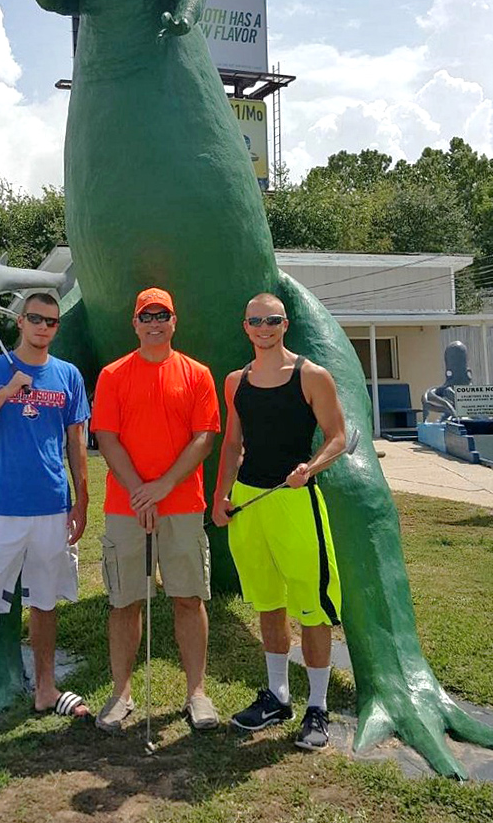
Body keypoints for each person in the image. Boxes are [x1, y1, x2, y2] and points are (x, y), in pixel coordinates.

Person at [0, 292, 91, 744]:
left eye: (52, 322)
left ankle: (45, 689)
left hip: (51, 507)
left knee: (45, 601)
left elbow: (76, 442)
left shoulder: (68, 375)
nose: (44, 327)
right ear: (20, 323)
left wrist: (81, 497)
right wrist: (7, 392)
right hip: (1, 508)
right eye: (37, 319)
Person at [212, 292, 346, 750]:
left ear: (285, 324)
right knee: (268, 604)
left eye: (272, 320)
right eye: (255, 321)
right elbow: (231, 444)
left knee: (311, 607)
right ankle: (277, 697)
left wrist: (310, 467)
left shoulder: (311, 376)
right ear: (245, 327)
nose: (264, 327)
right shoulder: (236, 381)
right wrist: (220, 494)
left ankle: (318, 708)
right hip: (250, 502)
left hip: (295, 501)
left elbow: (338, 438)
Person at [91, 287, 221, 733]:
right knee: (125, 601)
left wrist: (161, 488)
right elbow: (106, 437)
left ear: (173, 321)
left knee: (188, 597)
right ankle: (120, 694)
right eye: (146, 316)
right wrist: (138, 492)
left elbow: (204, 437)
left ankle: (196, 693)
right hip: (126, 507)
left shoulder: (198, 374)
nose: (154, 323)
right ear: (135, 323)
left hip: (182, 505)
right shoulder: (112, 374)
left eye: (162, 315)